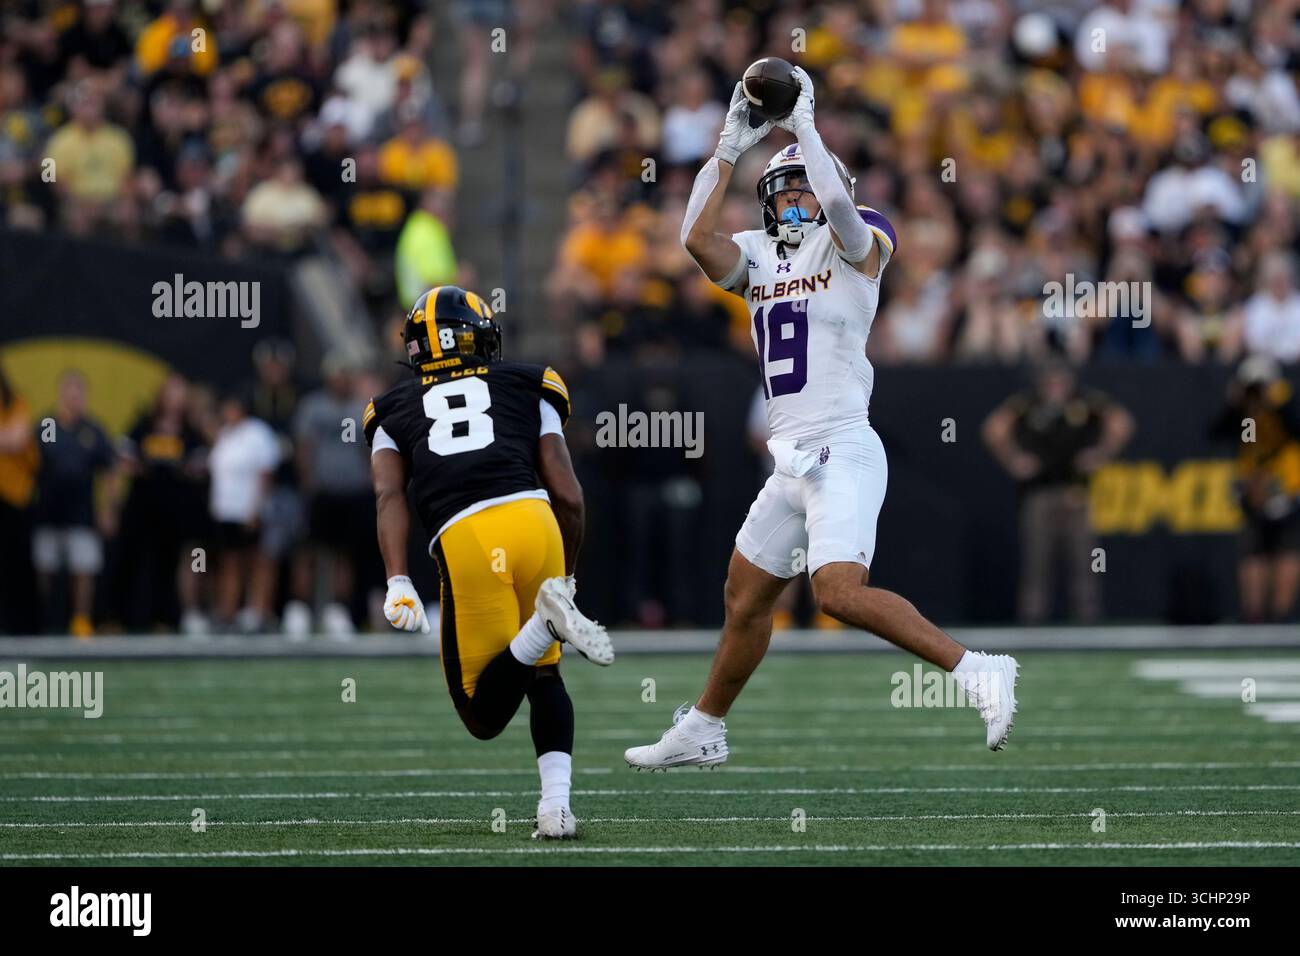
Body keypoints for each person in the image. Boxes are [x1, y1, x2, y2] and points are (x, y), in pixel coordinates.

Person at [626, 69, 1019, 772]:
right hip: (790, 457)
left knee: (836, 591)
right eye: (783, 189)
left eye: (803, 184)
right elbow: (692, 236)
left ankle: (977, 669)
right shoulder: (755, 256)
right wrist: (726, 147)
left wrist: (804, 127)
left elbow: (840, 212)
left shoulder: (859, 236)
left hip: (843, 444)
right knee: (744, 596)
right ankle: (705, 726)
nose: (793, 197)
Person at [364, 285, 613, 839]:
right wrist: (566, 574)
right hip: (536, 521)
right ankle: (556, 809)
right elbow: (569, 494)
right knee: (545, 673)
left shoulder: (389, 409)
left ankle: (545, 621)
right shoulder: (528, 382)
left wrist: (397, 579)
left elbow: (389, 498)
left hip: (470, 536)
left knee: (482, 715)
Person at [982, 360, 1134, 623]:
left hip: (1076, 493)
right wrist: (1013, 459)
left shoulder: (1086, 402)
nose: (1055, 386)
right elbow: (994, 428)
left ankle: (1088, 623)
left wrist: (1102, 453)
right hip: (1039, 493)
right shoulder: (1027, 404)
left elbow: (1122, 422)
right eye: (1050, 380)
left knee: (1084, 564)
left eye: (1060, 380)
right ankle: (1033, 624)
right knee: (1037, 564)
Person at [1211, 355, 1300, 622]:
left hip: (1288, 485)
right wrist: (1235, 404)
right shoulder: (1243, 409)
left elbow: (1296, 429)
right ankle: (1254, 615)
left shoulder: (1286, 401)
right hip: (1255, 488)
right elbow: (1217, 433)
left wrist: (1275, 402)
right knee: (1254, 552)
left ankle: (1282, 614)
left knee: (1288, 550)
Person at [32, 370, 118, 637]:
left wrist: (108, 509)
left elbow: (110, 470)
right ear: (60, 393)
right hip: (48, 512)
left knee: (84, 568)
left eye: (78, 390)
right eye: (69, 390)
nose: (74, 396)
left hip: (81, 513)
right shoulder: (48, 426)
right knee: (44, 568)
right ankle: (46, 618)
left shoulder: (93, 430)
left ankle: (81, 620)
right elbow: (35, 460)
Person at [208, 391, 280, 632]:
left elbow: (265, 473)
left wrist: (255, 509)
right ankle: (228, 612)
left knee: (258, 561)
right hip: (226, 512)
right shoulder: (225, 435)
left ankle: (259, 612)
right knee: (230, 562)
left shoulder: (257, 433)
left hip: (249, 511)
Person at [0, 365, 40, 634]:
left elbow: (17, 439)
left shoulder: (16, 403)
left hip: (13, 501)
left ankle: (19, 633)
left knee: (15, 570)